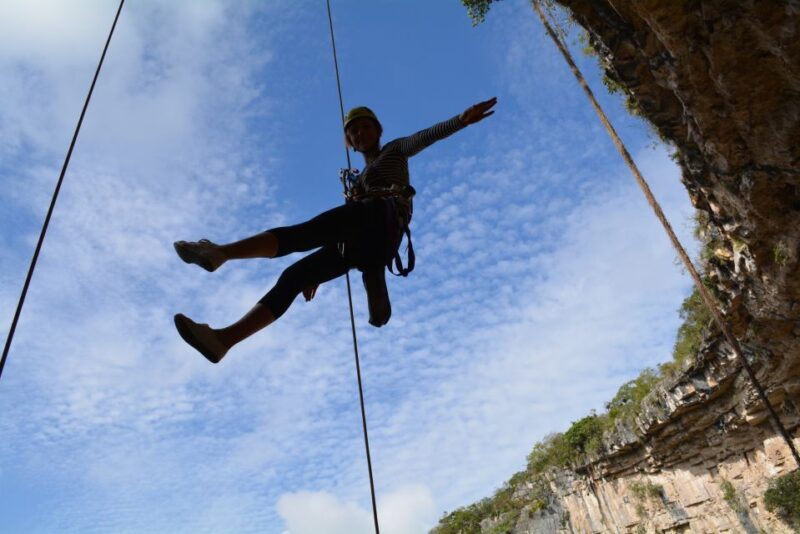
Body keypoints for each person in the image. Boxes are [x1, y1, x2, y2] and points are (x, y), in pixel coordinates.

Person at [173, 97, 497, 363]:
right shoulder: (358, 181)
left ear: (378, 130)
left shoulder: (394, 150)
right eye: (353, 132)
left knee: (305, 232)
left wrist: (460, 120)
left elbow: (423, 138)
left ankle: (221, 252)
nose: (360, 134)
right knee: (294, 276)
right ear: (350, 142)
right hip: (361, 238)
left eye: (365, 127)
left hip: (380, 218)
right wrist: (317, 274)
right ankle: (223, 340)